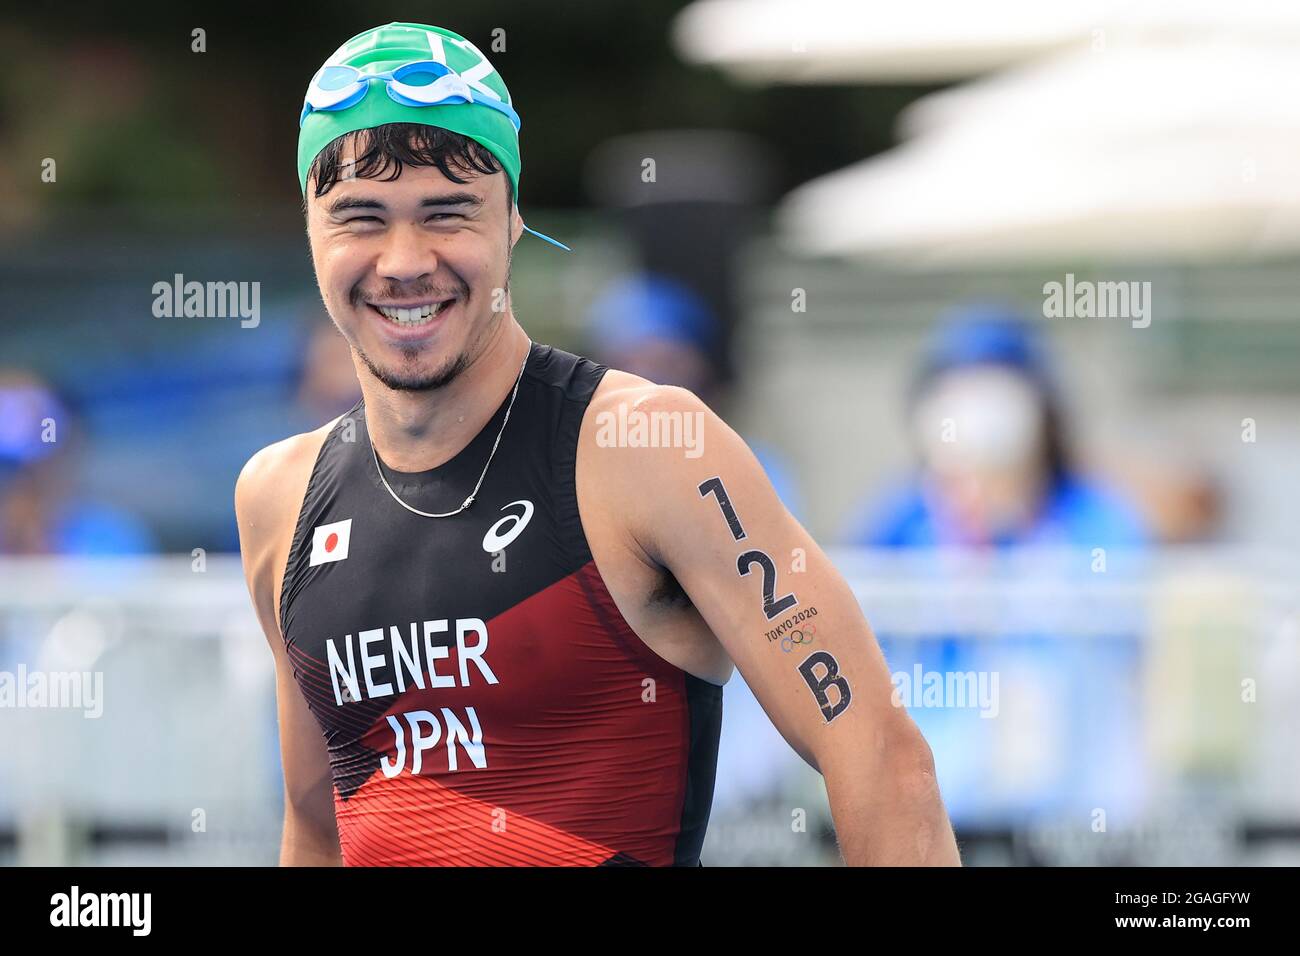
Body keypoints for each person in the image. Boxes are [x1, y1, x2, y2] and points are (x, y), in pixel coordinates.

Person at [234, 22, 958, 866]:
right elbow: (316, 830)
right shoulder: (279, 496)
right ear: (311, 232)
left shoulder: (648, 449)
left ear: (511, 224)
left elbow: (881, 757)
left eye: (447, 214)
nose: (404, 260)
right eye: (361, 217)